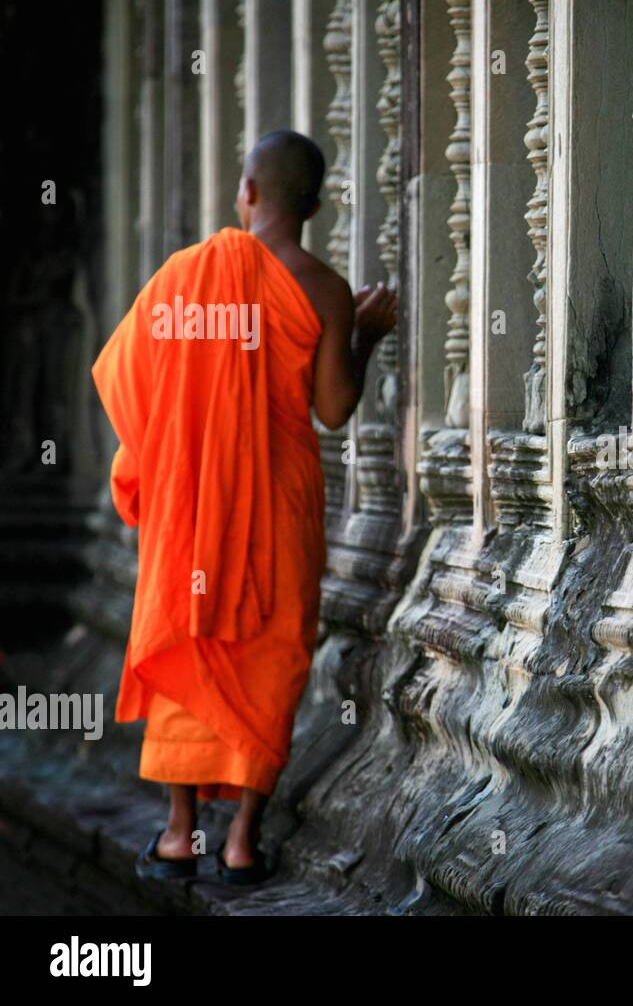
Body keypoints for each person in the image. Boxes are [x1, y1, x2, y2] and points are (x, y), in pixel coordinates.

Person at [91, 130, 396, 885]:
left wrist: (161, 459)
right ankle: (241, 843)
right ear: (316, 207)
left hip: (195, 509)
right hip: (281, 506)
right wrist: (366, 339)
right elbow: (332, 409)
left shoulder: (187, 276)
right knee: (272, 653)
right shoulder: (325, 289)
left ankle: (178, 832)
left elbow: (131, 387)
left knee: (194, 641)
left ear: (249, 193)